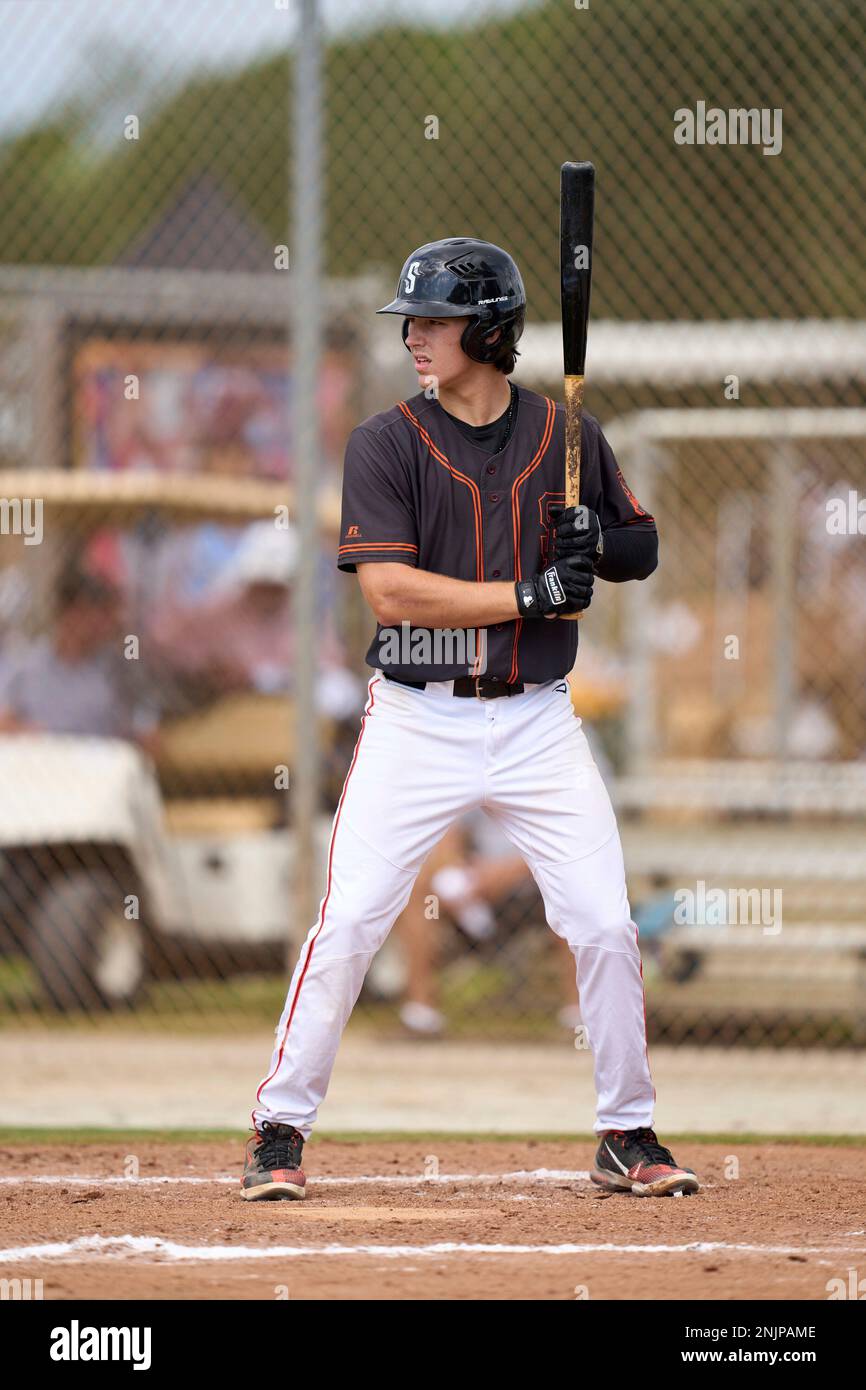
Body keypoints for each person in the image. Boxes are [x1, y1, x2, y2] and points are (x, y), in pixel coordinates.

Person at [242, 237, 698, 1201]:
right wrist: (531, 591)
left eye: (437, 321)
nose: (416, 336)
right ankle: (280, 1129)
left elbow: (643, 550)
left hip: (537, 721)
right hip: (417, 717)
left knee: (608, 926)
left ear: (489, 331)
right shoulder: (385, 442)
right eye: (413, 321)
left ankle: (627, 1132)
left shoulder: (567, 436)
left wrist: (597, 541)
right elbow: (392, 595)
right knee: (352, 920)